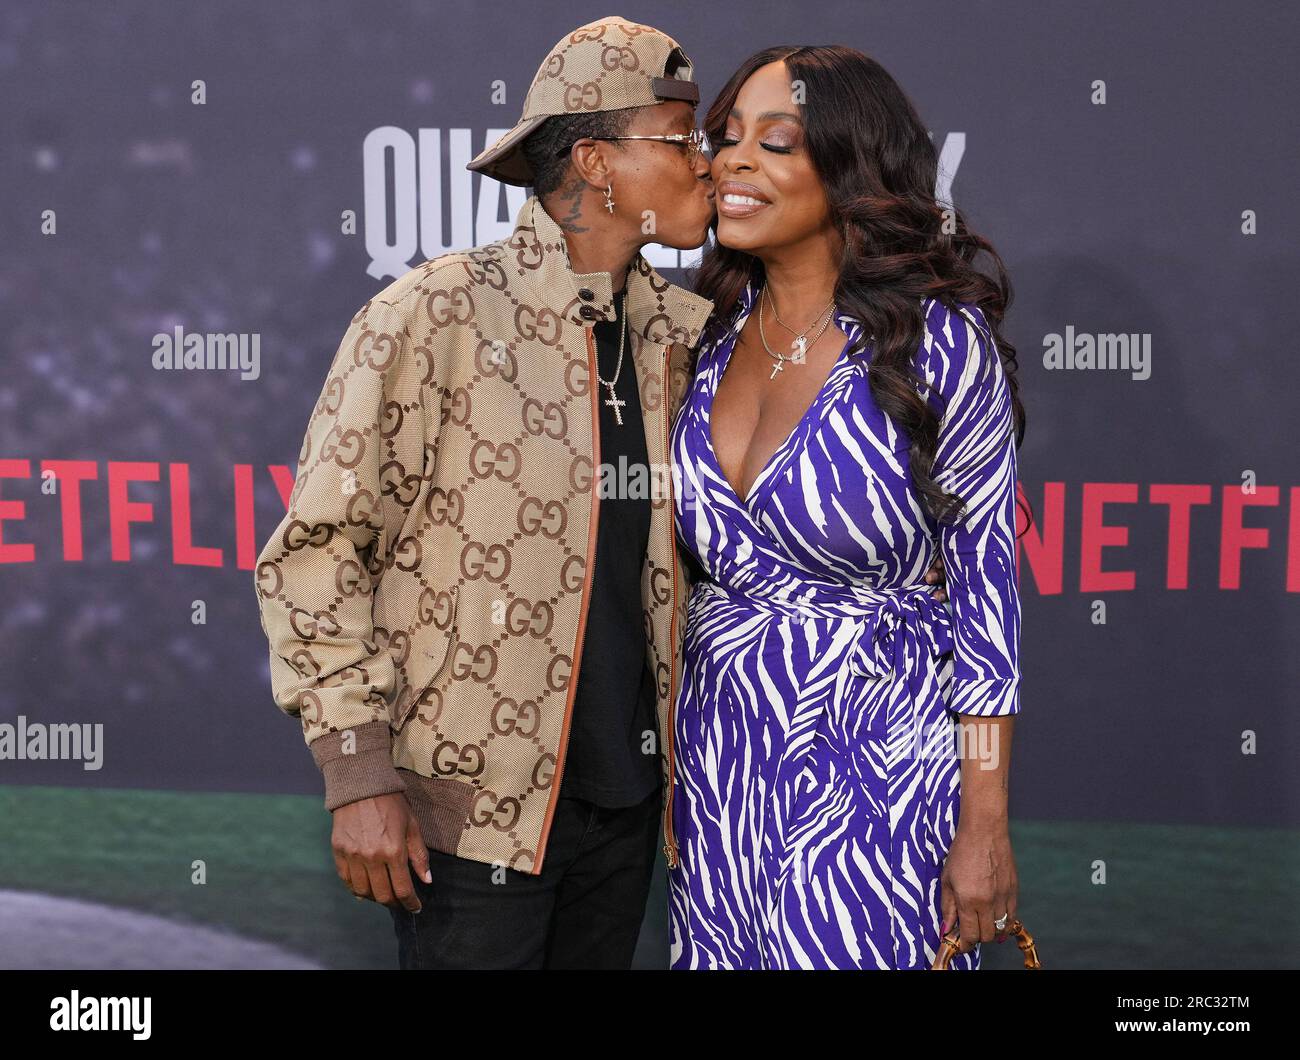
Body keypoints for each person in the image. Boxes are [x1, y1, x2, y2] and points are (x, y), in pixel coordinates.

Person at [253, 16, 718, 969]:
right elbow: (318, 552)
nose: (707, 163)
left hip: (629, 811)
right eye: (683, 138)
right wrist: (358, 775)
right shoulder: (434, 313)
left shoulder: (686, 333)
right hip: (465, 825)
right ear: (596, 159)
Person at [667, 46, 1027, 969]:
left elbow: (988, 605)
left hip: (876, 769)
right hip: (721, 762)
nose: (734, 162)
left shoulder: (939, 347)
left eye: (775, 143)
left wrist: (983, 823)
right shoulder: (704, 335)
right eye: (728, 138)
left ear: (849, 168)